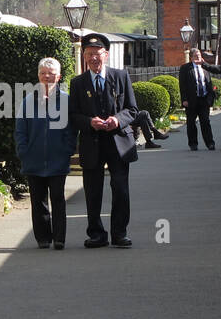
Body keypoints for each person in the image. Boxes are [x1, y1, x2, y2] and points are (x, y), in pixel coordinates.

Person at [67, 32, 138, 248]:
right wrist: (89, 122)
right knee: (93, 191)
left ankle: (119, 233)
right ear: (84, 57)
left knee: (120, 189)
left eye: (97, 54)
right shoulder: (78, 83)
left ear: (105, 55)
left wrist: (117, 120)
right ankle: (96, 234)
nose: (93, 58)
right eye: (89, 54)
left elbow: (133, 110)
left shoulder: (120, 76)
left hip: (118, 142)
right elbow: (73, 115)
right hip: (92, 143)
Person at [14, 57, 75, 248]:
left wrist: (67, 150)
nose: (46, 76)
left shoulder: (66, 100)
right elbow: (20, 129)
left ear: (59, 77)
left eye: (51, 73)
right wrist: (23, 151)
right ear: (38, 76)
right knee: (38, 201)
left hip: (58, 159)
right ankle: (43, 238)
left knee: (58, 199)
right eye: (43, 73)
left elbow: (72, 130)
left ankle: (59, 238)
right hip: (33, 159)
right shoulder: (28, 100)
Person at [178, 47, 218, 150]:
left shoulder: (205, 67)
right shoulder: (185, 68)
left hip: (203, 99)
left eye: (199, 56)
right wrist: (184, 100)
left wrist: (210, 98)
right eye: (196, 56)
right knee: (191, 122)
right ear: (191, 58)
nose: (198, 58)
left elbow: (209, 83)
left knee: (205, 121)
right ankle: (193, 144)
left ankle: (210, 143)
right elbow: (182, 85)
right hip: (191, 100)